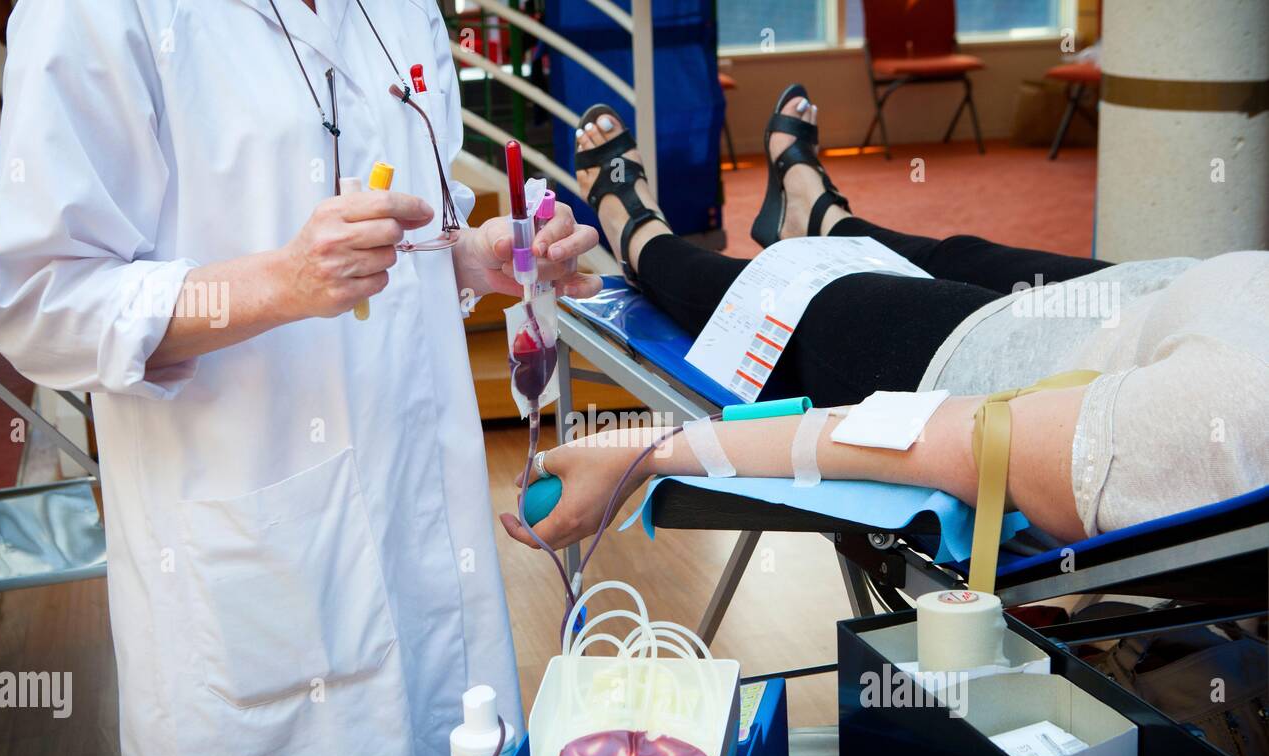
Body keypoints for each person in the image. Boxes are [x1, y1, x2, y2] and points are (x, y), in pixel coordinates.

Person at [0, 0, 598, 756]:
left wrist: (473, 254)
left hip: (428, 529)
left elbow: (401, 220)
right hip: (253, 568)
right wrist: (279, 281)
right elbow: (43, 304)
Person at [500, 87, 1268, 553]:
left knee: (791, 296)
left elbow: (950, 441)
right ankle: (824, 217)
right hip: (1155, 300)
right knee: (963, 250)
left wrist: (650, 453)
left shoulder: (1217, 425)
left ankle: (643, 240)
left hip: (984, 363)